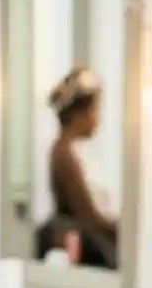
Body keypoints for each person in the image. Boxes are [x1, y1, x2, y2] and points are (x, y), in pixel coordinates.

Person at [38, 67, 118, 269]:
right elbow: (87, 216)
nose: (98, 119)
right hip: (86, 249)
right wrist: (120, 229)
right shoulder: (64, 153)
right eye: (96, 110)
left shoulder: (74, 150)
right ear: (79, 114)